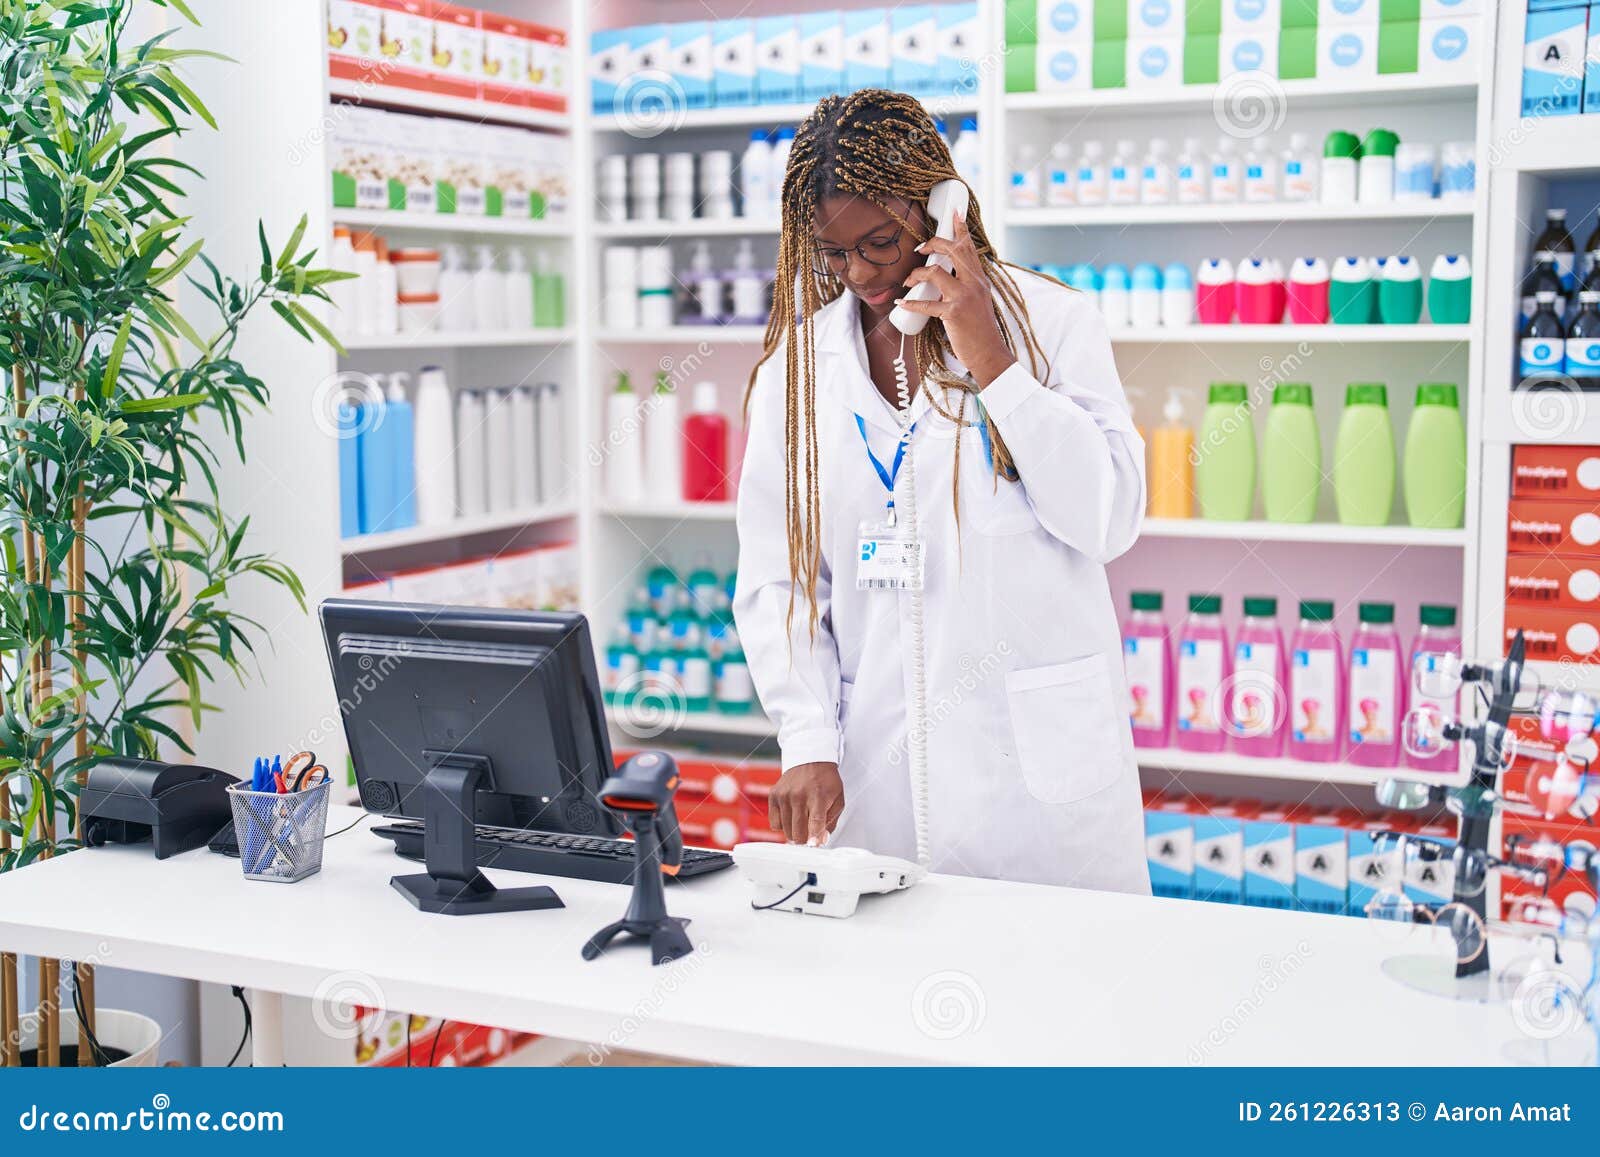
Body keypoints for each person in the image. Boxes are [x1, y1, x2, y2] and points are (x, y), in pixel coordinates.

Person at [732, 90, 1149, 894]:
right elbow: (779, 577)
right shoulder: (799, 371)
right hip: (877, 776)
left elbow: (1108, 519)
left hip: (1035, 790)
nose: (860, 274)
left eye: (880, 242)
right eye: (833, 253)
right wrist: (807, 734)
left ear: (938, 207)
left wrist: (992, 358)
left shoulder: (1051, 324)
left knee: (1062, 969)